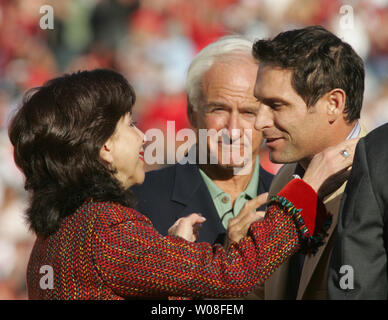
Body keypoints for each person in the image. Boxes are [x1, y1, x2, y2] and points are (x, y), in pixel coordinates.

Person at [9, 69, 355, 299]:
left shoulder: (58, 234)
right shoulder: (104, 228)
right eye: (130, 125)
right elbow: (233, 274)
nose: (144, 137)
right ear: (105, 147)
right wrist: (306, 189)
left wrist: (170, 259)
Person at [250, 25, 366, 300]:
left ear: (333, 104)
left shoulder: (385, 181)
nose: (259, 122)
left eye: (277, 106)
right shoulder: (286, 178)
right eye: (259, 104)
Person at [133, 36, 274, 246]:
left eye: (248, 112)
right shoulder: (138, 201)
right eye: (219, 109)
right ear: (192, 112)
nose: (233, 130)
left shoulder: (290, 201)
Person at [328, 119, 388, 299]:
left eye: (277, 106)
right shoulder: (378, 148)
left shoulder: (378, 149)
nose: (261, 123)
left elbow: (354, 286)